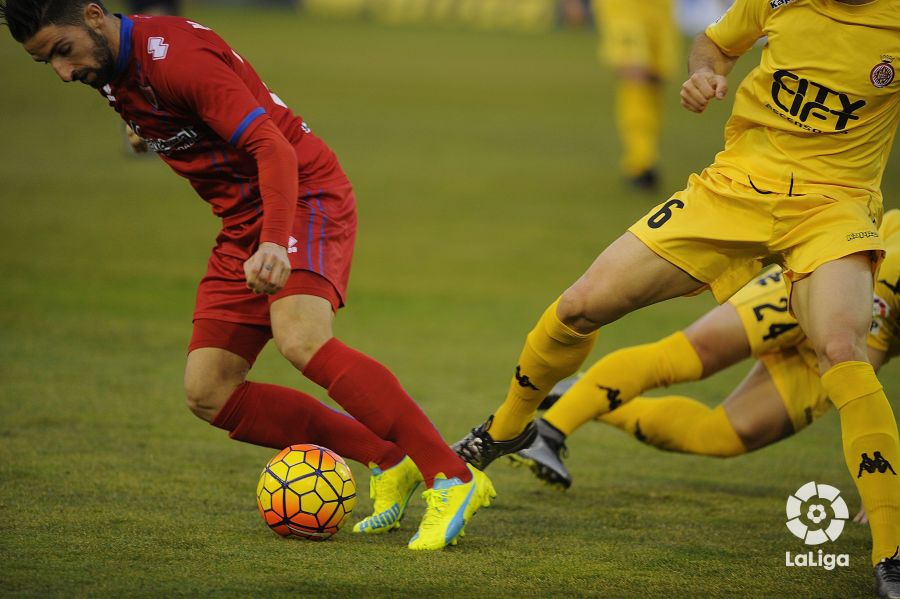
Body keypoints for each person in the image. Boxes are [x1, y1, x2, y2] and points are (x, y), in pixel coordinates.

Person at [0, 0, 495, 551]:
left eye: (63, 52)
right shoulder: (111, 67)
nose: (64, 73)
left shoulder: (177, 58)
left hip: (300, 193)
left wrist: (274, 241)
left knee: (302, 338)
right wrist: (151, 133)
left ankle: (450, 474)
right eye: (47, 64)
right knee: (209, 390)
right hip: (242, 219)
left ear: (93, 15)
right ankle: (389, 458)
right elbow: (176, 112)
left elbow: (272, 146)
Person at [453, 0, 900, 593]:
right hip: (735, 189)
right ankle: (507, 428)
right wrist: (704, 73)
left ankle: (891, 551)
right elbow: (714, 43)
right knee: (581, 304)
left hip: (834, 207)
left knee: (843, 349)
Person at [511, 211, 900, 491]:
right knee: (692, 354)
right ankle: (549, 431)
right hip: (827, 275)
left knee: (726, 435)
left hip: (856, 341)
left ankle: (584, 393)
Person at [590, 0, 680, 190]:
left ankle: (648, 157)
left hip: (659, 7)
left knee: (656, 79)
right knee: (635, 76)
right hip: (627, 7)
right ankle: (639, 163)